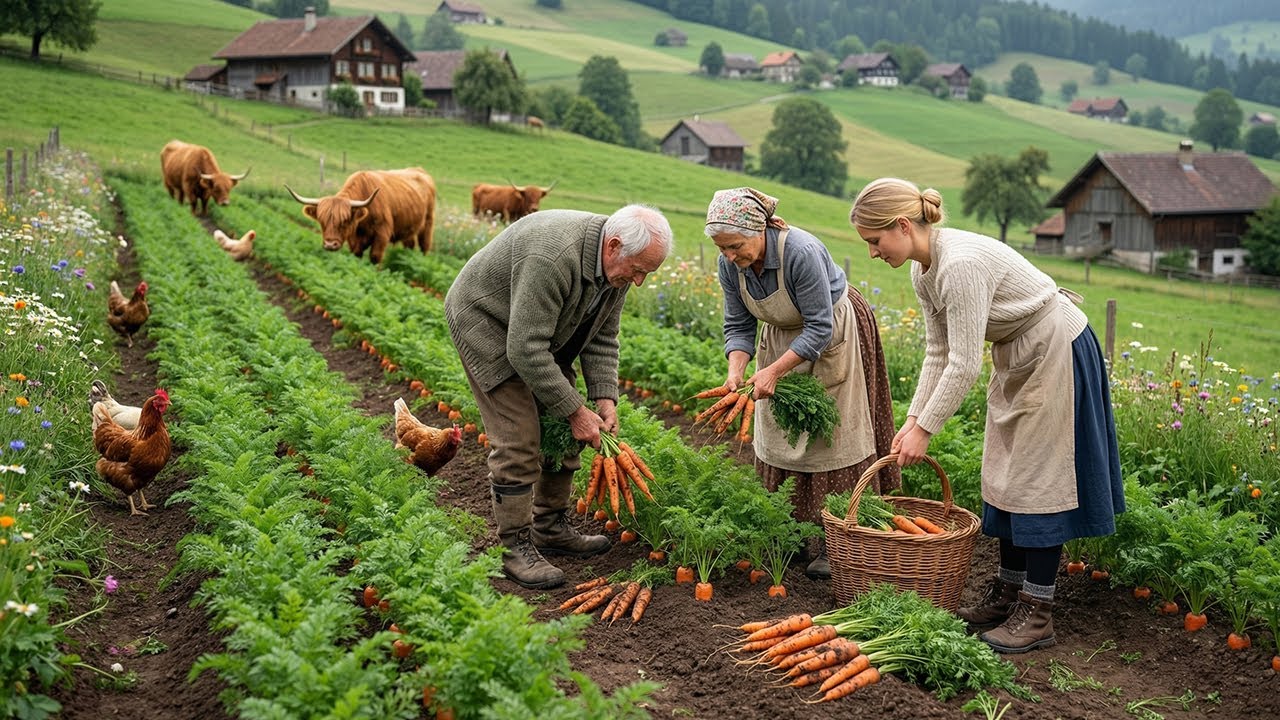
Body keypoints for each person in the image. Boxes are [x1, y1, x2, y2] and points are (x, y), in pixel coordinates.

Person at [849, 177, 1123, 653]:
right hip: (1019, 352)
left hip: (1055, 346)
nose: (873, 252)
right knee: (1005, 473)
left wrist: (927, 431)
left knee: (1037, 479)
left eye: (874, 241)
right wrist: (911, 422)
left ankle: (1038, 612)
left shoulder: (961, 265)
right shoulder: (923, 271)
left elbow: (963, 364)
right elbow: (938, 353)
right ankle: (1009, 591)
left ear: (900, 225)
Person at [445, 204, 673, 589]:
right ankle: (515, 547)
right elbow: (524, 349)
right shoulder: (553, 256)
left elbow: (602, 337)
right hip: (488, 326)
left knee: (562, 430)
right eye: (638, 271)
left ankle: (549, 527)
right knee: (519, 438)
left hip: (539, 334)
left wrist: (604, 399)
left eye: (647, 274)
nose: (639, 283)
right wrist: (575, 410)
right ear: (614, 246)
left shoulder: (613, 270)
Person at [704, 187, 899, 580]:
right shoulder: (730, 265)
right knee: (779, 431)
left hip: (830, 333)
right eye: (722, 248)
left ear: (759, 230)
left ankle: (837, 539)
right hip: (780, 336)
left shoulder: (800, 252)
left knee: (835, 430)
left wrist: (774, 371)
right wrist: (735, 372)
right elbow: (738, 324)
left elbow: (820, 326)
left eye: (735, 246)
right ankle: (790, 534)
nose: (729, 256)